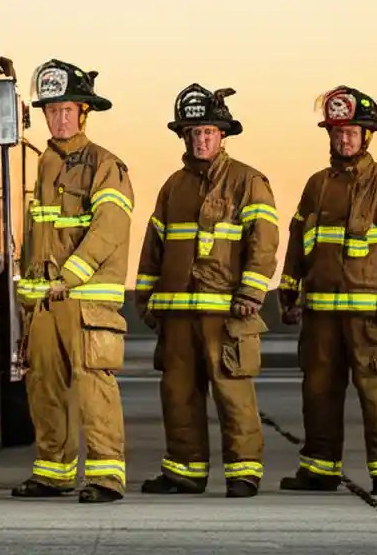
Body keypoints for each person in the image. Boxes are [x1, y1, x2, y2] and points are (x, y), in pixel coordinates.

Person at [135, 84, 278, 498]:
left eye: (209, 132)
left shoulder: (248, 181)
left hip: (228, 316)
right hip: (177, 315)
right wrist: (145, 300)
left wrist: (252, 292)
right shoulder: (173, 186)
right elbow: (153, 248)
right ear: (184, 136)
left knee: (234, 395)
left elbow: (264, 241)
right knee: (178, 395)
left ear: (223, 135)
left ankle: (244, 474)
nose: (201, 139)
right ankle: (185, 473)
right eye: (194, 132)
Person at [278, 86, 377, 497]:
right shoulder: (316, 184)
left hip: (371, 316)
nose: (343, 140)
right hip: (320, 314)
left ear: (367, 136)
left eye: (351, 133)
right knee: (318, 391)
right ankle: (319, 470)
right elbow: (297, 240)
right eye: (336, 132)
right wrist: (289, 290)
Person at [11, 59, 134, 504]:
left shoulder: (106, 164)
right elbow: (34, 237)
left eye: (68, 110)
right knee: (43, 385)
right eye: (52, 110)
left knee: (93, 386)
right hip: (46, 302)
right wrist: (29, 295)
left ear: (84, 113)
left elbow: (109, 228)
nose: (60, 118)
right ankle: (53, 473)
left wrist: (69, 277)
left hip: (86, 301)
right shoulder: (42, 165)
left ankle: (105, 477)